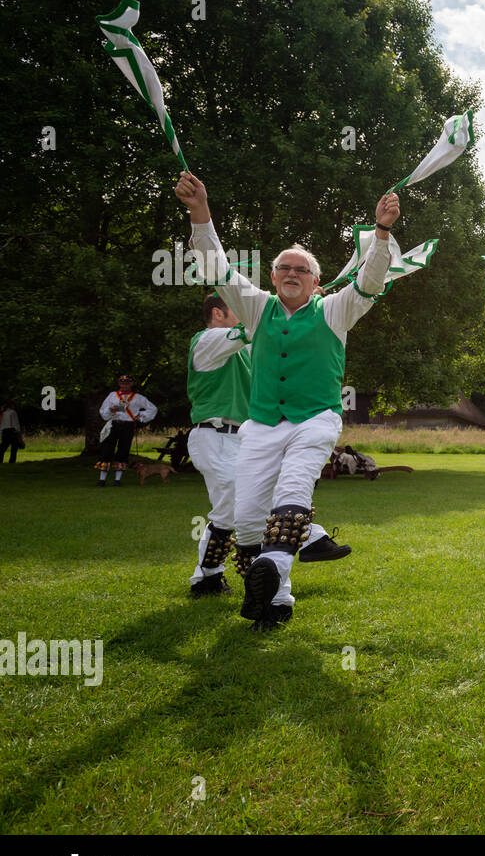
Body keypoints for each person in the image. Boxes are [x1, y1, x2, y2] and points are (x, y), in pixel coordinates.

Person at [176, 171, 392, 629]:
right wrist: (200, 213)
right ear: (273, 277)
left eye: (302, 270)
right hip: (260, 427)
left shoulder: (335, 310)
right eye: (284, 269)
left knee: (292, 492)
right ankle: (276, 600)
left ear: (316, 282)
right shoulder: (255, 307)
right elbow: (216, 267)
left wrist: (382, 233)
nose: (292, 274)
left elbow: (371, 281)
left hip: (314, 421)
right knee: (249, 520)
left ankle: (273, 571)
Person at [186, 295, 351, 598]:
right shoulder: (207, 341)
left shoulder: (247, 349)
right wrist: (294, 310)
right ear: (216, 313)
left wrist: (307, 313)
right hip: (213, 435)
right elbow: (260, 328)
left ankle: (225, 578)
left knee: (248, 501)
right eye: (239, 307)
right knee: (234, 505)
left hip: (245, 435)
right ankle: (307, 538)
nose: (248, 313)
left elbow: (279, 343)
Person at [95, 376, 158, 486]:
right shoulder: (112, 395)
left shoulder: (138, 398)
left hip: (128, 426)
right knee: (106, 450)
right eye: (122, 383)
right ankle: (102, 480)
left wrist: (141, 416)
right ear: (119, 384)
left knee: (123, 451)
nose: (125, 385)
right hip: (113, 425)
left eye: (127, 383)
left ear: (131, 384)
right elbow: (102, 411)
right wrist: (110, 410)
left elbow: (153, 408)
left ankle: (117, 480)